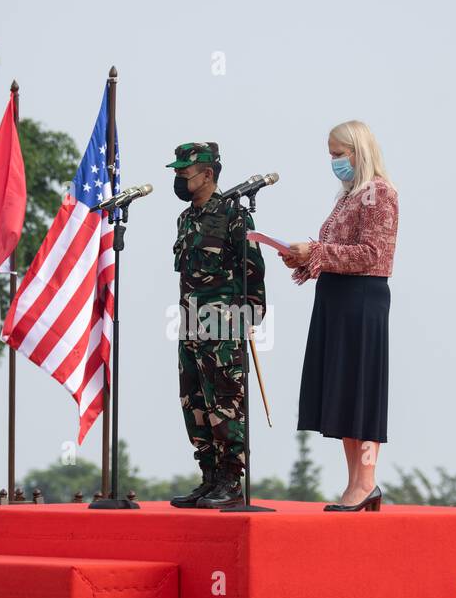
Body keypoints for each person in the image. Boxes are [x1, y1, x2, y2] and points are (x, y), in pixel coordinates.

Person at [280, 120, 398, 512]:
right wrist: (303, 256)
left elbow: (372, 254)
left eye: (338, 154)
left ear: (358, 152)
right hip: (335, 297)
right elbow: (335, 250)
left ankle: (366, 482)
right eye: (330, 154)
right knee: (345, 391)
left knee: (362, 390)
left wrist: (315, 252)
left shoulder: (379, 193)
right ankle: (355, 483)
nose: (333, 161)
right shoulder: (349, 195)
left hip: (362, 299)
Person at [166, 142, 266, 509]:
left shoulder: (234, 215)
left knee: (225, 402)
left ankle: (230, 480)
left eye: (184, 172)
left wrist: (250, 319)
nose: (178, 179)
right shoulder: (185, 219)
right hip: (190, 324)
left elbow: (253, 270)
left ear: (207, 174)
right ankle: (209, 477)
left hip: (223, 327)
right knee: (193, 401)